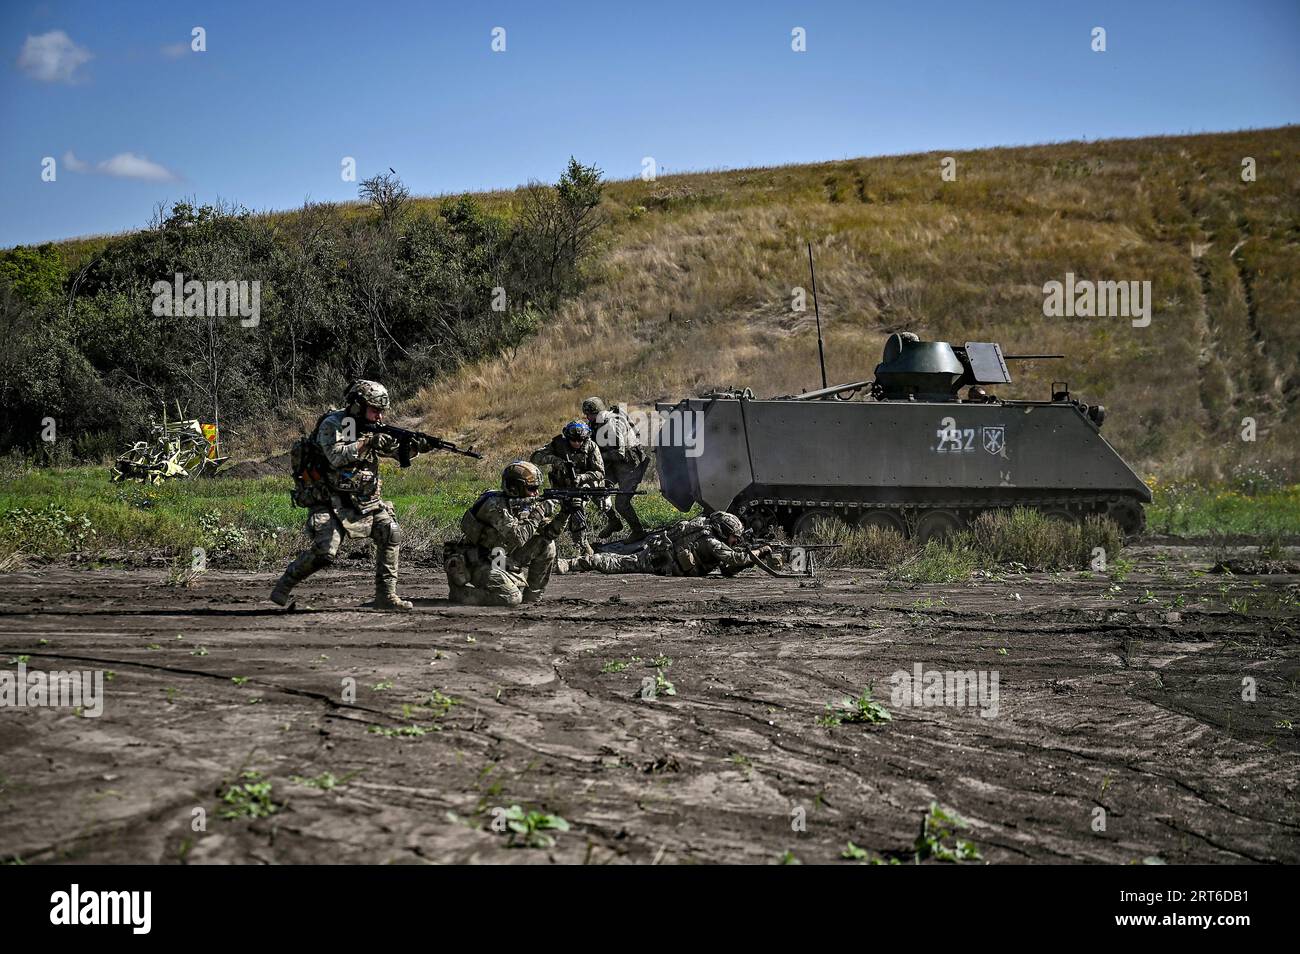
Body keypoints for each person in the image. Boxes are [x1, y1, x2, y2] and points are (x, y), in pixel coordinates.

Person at [271, 379, 434, 610]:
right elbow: (337, 456)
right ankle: (285, 584)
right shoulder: (334, 424)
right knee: (325, 552)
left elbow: (397, 453)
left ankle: (386, 596)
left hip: (364, 499)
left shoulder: (371, 426)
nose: (379, 417)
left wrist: (417, 447)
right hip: (330, 499)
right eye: (375, 410)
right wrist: (368, 442)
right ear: (358, 405)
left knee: (389, 531)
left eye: (382, 412)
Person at [443, 461, 572, 606]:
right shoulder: (494, 505)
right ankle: (461, 595)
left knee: (547, 545)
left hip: (500, 557)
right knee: (511, 598)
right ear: (515, 488)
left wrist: (565, 512)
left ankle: (533, 596)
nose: (536, 493)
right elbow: (517, 537)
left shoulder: (525, 504)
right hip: (478, 562)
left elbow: (550, 533)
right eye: (532, 488)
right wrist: (541, 511)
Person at [557, 512, 769, 577]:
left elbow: (728, 570)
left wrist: (749, 561)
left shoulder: (711, 536)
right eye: (733, 536)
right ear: (723, 530)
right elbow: (734, 559)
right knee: (613, 563)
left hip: (665, 560)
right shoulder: (711, 541)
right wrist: (761, 551)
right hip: (656, 562)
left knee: (618, 559)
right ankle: (572, 563)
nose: (735, 541)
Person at [529, 420, 606, 556]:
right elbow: (535, 457)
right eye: (573, 440)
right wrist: (555, 460)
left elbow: (600, 472)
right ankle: (545, 541)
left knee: (576, 509)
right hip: (560, 487)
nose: (577, 443)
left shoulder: (591, 447)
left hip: (581, 487)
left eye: (580, 440)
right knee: (551, 511)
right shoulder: (559, 445)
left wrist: (583, 477)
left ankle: (581, 546)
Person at [582, 397, 649, 542]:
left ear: (597, 412)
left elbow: (620, 453)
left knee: (621, 503)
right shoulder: (596, 423)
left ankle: (638, 532)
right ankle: (613, 521)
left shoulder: (611, 423)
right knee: (595, 489)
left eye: (589, 414)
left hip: (631, 465)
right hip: (614, 465)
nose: (587, 417)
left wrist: (596, 457)